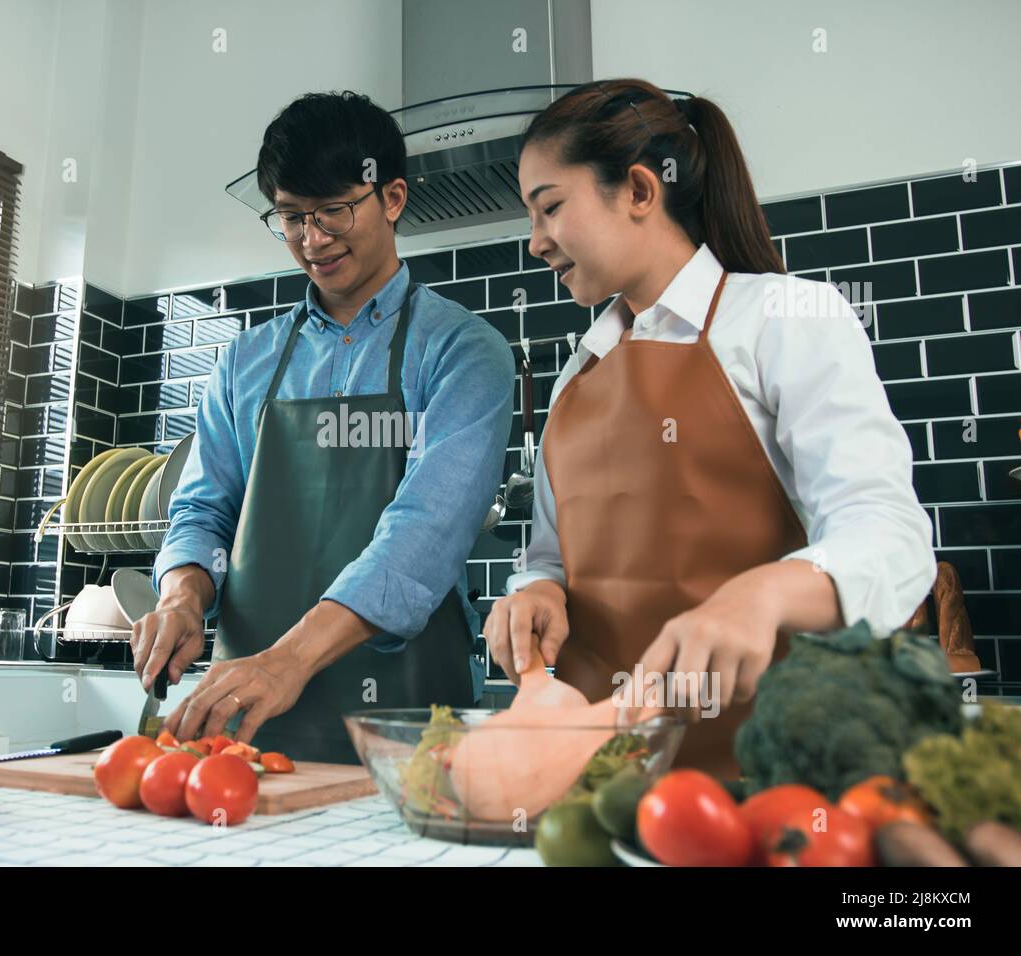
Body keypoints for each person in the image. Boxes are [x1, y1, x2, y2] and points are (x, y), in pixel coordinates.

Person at [486, 79, 936, 777]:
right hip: (602, 778)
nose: (535, 243)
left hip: (770, 777)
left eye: (549, 209)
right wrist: (535, 589)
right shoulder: (579, 369)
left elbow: (889, 534)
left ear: (640, 190)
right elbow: (551, 556)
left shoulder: (786, 317)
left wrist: (760, 596)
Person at [132, 91, 515, 763]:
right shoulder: (243, 362)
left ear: (391, 198)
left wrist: (290, 660)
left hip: (404, 728)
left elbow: (423, 536)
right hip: (245, 723)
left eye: (334, 209)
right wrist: (182, 595)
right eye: (290, 216)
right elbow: (202, 508)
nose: (313, 239)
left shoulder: (462, 351)